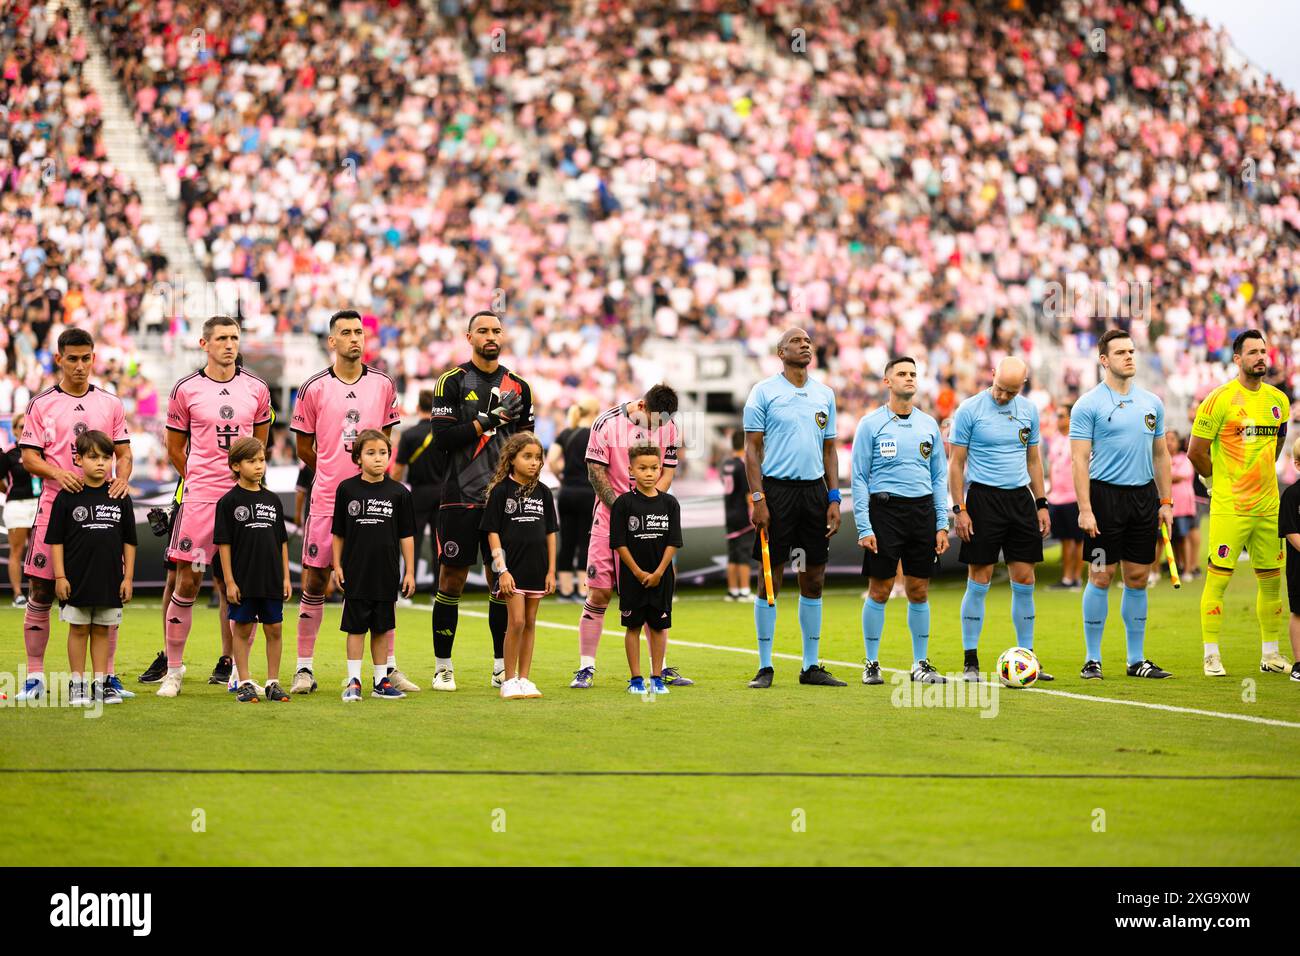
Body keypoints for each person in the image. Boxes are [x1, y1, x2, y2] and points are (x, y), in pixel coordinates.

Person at [156, 317, 272, 698]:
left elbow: (259, 447)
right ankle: (174, 670)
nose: (229, 344)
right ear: (204, 343)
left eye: (234, 338)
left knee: (242, 586)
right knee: (187, 580)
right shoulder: (186, 389)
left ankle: (240, 672)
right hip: (201, 498)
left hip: (241, 500)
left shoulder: (256, 389)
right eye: (221, 338)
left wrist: (246, 484)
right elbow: (175, 449)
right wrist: (198, 481)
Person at [290, 310, 405, 694]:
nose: (355, 338)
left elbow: (385, 439)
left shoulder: (384, 385)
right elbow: (304, 444)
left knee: (380, 583)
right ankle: (304, 668)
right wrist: (329, 470)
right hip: (327, 500)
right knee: (316, 579)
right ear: (332, 341)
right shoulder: (313, 387)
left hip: (376, 501)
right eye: (346, 332)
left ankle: (386, 668)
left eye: (359, 332)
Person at [16, 328, 133, 703]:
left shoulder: (110, 403)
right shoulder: (42, 404)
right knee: (40, 589)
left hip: (102, 512)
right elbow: (29, 457)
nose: (80, 366)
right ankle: (34, 677)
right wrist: (57, 473)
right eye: (73, 359)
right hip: (56, 509)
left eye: (86, 358)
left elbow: (124, 452)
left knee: (106, 593)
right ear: (59, 359)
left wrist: (122, 479)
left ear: (93, 359)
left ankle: (107, 678)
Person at [429, 310, 536, 691]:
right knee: (452, 578)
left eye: (496, 330)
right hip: (459, 496)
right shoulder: (451, 382)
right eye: (483, 331)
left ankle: (499, 666)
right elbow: (443, 439)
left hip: (502, 500)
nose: (491, 336)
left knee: (501, 582)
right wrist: (489, 420)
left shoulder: (519, 386)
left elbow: (527, 446)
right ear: (469, 337)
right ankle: (443, 667)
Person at [743, 327, 845, 688]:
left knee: (813, 576)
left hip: (814, 495)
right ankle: (765, 666)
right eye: (796, 341)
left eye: (808, 341)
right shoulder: (764, 392)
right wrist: (759, 498)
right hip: (777, 493)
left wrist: (834, 498)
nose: (805, 344)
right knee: (770, 578)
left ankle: (811, 666)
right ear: (780, 351)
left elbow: (829, 450)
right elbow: (751, 451)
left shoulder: (824, 394)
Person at [572, 384, 692, 688]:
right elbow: (594, 472)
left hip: (649, 520)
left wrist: (649, 502)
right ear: (640, 406)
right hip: (609, 518)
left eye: (661, 425)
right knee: (599, 593)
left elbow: (667, 470)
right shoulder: (606, 423)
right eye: (652, 423)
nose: (656, 430)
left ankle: (659, 669)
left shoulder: (670, 428)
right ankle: (586, 668)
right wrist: (625, 508)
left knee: (652, 595)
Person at [1070, 329, 1174, 680]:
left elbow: (1161, 455)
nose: (1129, 357)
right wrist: (1085, 508)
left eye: (1132, 351)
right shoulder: (1088, 404)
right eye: (1120, 353)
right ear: (1104, 360)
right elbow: (1079, 460)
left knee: (1138, 577)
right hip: (1104, 500)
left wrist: (1166, 502)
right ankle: (1092, 659)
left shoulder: (1152, 403)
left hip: (1143, 500)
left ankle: (1136, 660)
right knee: (1100, 575)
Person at [1188, 330, 1291, 677]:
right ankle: (1211, 655)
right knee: (1218, 580)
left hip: (1268, 506)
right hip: (1230, 506)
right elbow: (1195, 451)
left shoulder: (1279, 399)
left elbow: (1278, 441)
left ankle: (1271, 654)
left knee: (1272, 581)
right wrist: (1214, 483)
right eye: (1253, 352)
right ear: (1237, 359)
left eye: (1264, 351)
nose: (1261, 357)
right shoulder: (1218, 400)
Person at [948, 356, 1054, 682]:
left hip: (1020, 499)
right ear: (991, 375)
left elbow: (1033, 460)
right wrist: (960, 509)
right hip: (982, 500)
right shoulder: (969, 409)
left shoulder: (1029, 410)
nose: (1003, 396)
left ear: (1021, 387)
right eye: (999, 388)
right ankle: (970, 662)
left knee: (1024, 581)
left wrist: (1041, 503)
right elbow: (956, 463)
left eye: (1010, 392)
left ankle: (1027, 657)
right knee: (978, 579)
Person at [853, 357, 951, 686]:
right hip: (885, 513)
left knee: (919, 590)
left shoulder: (928, 425)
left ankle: (920, 663)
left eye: (913, 374)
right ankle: (871, 662)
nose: (909, 379)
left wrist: (942, 523)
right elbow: (859, 478)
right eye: (902, 374)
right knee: (879, 590)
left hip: (922, 513)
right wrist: (864, 526)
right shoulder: (870, 424)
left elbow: (939, 478)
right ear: (887, 382)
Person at [44, 430, 137, 707]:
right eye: (93, 457)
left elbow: (130, 541)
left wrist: (128, 577)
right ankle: (77, 684)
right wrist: (59, 576)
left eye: (106, 457)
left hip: (109, 579)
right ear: (78, 459)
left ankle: (101, 684)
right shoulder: (67, 497)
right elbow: (56, 540)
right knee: (79, 629)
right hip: (76, 579)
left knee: (101, 631)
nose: (101, 462)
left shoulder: (120, 495)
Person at [331, 430, 416, 701]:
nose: (378, 458)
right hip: (356, 571)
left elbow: (407, 535)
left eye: (383, 453)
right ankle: (353, 680)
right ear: (358, 457)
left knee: (382, 628)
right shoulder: (347, 489)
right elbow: (338, 533)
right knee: (356, 628)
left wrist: (410, 571)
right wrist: (337, 565)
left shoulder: (399, 492)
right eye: (371, 453)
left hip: (386, 572)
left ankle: (381, 681)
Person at [214, 437, 292, 703]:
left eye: (261, 460)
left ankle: (272, 682)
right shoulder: (228, 502)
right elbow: (223, 544)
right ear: (236, 465)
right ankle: (244, 681)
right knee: (243, 630)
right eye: (251, 461)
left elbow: (281, 541)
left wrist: (285, 577)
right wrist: (229, 581)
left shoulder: (273, 500)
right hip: (243, 580)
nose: (259, 466)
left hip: (271, 578)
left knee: (275, 629)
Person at [480, 432, 557, 699]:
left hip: (537, 568)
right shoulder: (501, 492)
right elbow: (492, 534)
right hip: (512, 570)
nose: (534, 462)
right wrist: (501, 570)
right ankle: (508, 679)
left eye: (538, 457)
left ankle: (525, 678)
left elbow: (550, 534)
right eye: (527, 457)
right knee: (516, 621)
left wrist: (551, 571)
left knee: (531, 622)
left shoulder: (544, 493)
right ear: (512, 459)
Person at [610, 444, 682, 695]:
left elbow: (674, 541)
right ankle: (636, 679)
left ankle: (657, 677)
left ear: (660, 469)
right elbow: (618, 543)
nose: (649, 473)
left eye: (654, 468)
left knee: (660, 627)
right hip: (633, 579)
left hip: (662, 578)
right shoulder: (623, 504)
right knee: (633, 627)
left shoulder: (670, 504)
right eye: (642, 468)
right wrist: (638, 572)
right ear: (631, 470)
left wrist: (660, 572)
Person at [393, 389, 444, 596]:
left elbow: (397, 470)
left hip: (419, 493)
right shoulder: (444, 434)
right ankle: (439, 591)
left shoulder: (409, 435)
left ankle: (406, 588)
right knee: (439, 543)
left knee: (411, 541)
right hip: (443, 492)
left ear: (417, 408)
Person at [549, 397, 598, 602]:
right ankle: (583, 591)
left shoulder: (566, 433)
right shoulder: (595, 435)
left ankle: (565, 591)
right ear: (594, 413)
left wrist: (563, 476)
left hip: (567, 492)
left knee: (567, 541)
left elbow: (551, 460)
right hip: (588, 492)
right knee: (585, 542)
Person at [1, 411, 38, 608]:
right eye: (20, 427)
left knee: (37, 550)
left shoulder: (40, 451)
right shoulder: (9, 453)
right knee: (17, 550)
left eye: (27, 426)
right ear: (14, 430)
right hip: (17, 505)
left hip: (38, 504)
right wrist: (9, 491)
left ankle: (35, 594)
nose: (24, 430)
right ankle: (17, 594)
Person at [1045, 408, 1084, 589]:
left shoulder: (1077, 438)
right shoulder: (1055, 439)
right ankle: (1066, 578)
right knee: (1065, 540)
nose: (1058, 419)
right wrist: (1050, 490)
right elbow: (1053, 466)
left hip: (1073, 497)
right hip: (1056, 497)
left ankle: (1076, 577)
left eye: (1061, 416)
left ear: (1070, 418)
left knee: (1078, 540)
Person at [720, 428, 755, 602]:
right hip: (742, 515)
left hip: (729, 512)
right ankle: (744, 591)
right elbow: (749, 495)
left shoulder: (726, 464)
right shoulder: (743, 465)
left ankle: (732, 590)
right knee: (743, 553)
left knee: (733, 554)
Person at [1278, 441, 1300, 682]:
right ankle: (1299, 663)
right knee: (1299, 612)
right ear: (1297, 464)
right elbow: (1290, 531)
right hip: (1298, 566)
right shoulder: (1292, 495)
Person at [1168, 431, 1199, 578]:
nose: (1168, 442)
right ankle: (1178, 566)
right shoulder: (1162, 458)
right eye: (1166, 439)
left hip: (1182, 505)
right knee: (1172, 540)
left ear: (1178, 442)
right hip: (1167, 505)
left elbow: (1181, 476)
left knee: (1183, 536)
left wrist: (1165, 474)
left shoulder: (1184, 458)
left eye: (1172, 439)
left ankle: (1188, 570)